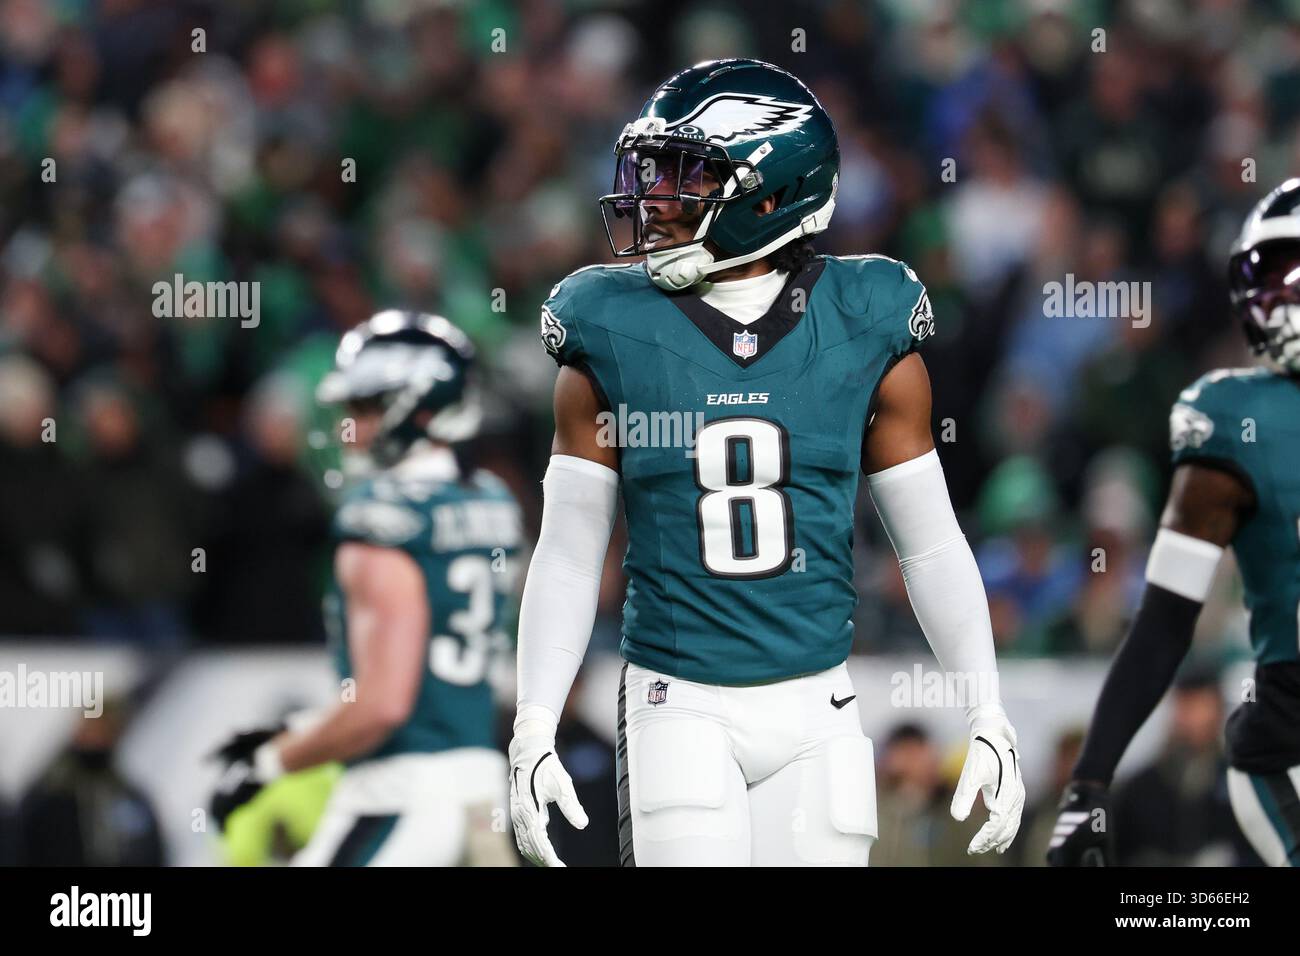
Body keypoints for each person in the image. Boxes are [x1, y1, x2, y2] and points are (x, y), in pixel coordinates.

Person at [508, 59, 1024, 867]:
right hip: (677, 701)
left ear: (773, 193)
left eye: (687, 176)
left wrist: (986, 707)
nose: (656, 200)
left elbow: (927, 544)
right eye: (654, 173)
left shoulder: (864, 319)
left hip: (819, 706)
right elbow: (570, 553)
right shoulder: (607, 326)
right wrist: (533, 720)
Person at [210, 311, 522, 866]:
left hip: (399, 797)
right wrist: (301, 729)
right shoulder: (492, 501)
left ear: (417, 406)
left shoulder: (380, 517)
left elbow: (383, 705)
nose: (346, 427)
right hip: (482, 791)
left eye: (364, 407)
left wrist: (269, 765)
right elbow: (425, 676)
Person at [1049, 179, 1300, 867]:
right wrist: (1090, 783)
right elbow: (1163, 621)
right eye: (1277, 275)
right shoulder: (1239, 425)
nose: (1284, 297)